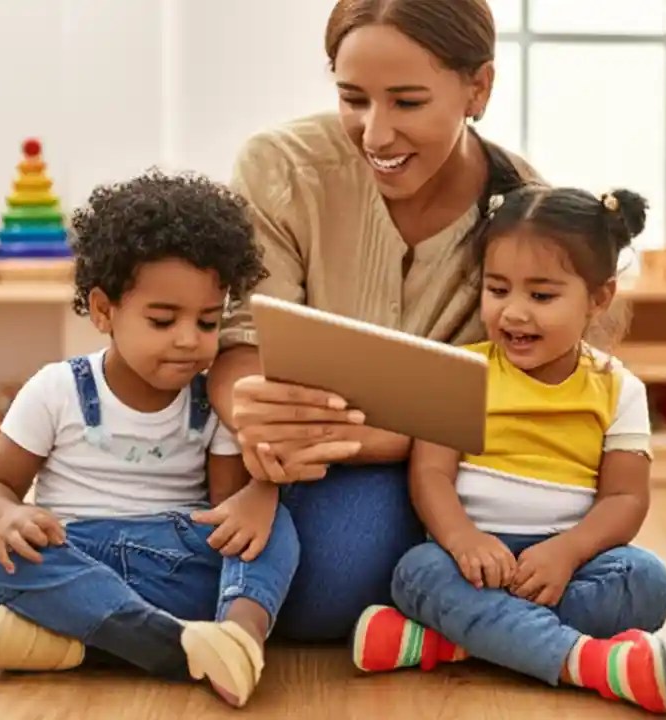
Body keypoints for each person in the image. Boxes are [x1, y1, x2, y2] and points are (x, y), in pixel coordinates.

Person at [207, 0, 542, 641]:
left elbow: (511, 401)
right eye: (353, 98)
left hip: (427, 467)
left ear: (479, 88)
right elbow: (239, 340)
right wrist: (247, 408)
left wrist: (353, 439)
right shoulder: (280, 167)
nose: (375, 134)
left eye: (407, 103)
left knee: (328, 579)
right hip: (267, 453)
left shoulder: (528, 216)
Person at [0, 170, 300, 708]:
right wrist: (6, 516)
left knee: (274, 522)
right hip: (77, 553)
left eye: (209, 322)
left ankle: (235, 636)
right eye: (163, 320)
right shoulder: (57, 389)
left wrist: (260, 497)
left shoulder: (209, 400)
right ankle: (179, 646)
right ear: (104, 310)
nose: (190, 340)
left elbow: (225, 511)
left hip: (176, 558)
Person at [350, 185, 666, 715]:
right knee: (417, 572)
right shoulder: (459, 372)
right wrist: (461, 539)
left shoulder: (620, 388)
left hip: (565, 559)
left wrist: (567, 552)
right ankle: (584, 662)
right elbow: (430, 474)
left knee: (648, 582)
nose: (514, 313)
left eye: (542, 296)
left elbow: (625, 499)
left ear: (599, 298)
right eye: (498, 289)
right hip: (470, 559)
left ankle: (448, 641)